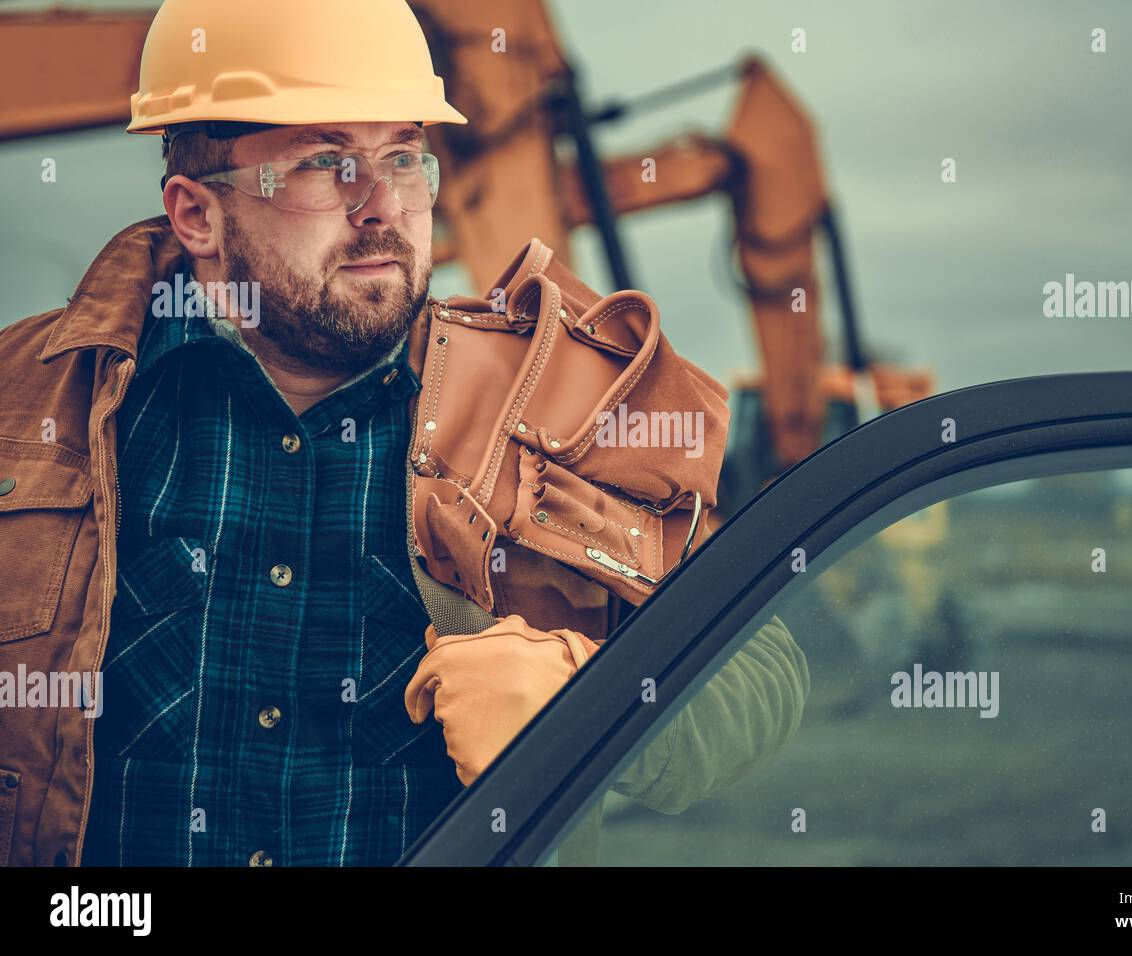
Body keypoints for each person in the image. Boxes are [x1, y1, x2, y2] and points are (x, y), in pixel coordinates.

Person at [0, 0, 807, 868]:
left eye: (403, 157)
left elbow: (762, 668)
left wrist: (583, 692)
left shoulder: (550, 411)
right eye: (324, 163)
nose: (383, 204)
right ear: (197, 214)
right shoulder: (30, 403)